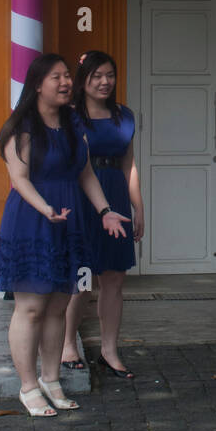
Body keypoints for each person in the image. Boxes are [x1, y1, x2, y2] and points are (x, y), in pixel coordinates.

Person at [0, 54, 130, 417]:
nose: (67, 81)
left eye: (68, 75)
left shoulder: (73, 123)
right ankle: (27, 386)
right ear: (38, 84)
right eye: (58, 77)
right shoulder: (21, 127)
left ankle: (51, 380)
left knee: (57, 305)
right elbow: (19, 180)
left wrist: (104, 210)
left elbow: (85, 173)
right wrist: (45, 209)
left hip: (69, 221)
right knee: (32, 306)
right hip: (31, 221)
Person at [62, 51, 143, 380]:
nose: (104, 81)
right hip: (81, 197)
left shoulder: (124, 115)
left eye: (110, 74)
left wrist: (138, 207)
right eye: (96, 75)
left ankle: (109, 351)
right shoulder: (69, 116)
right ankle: (68, 344)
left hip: (116, 197)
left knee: (114, 278)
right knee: (81, 278)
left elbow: (129, 164)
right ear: (83, 79)